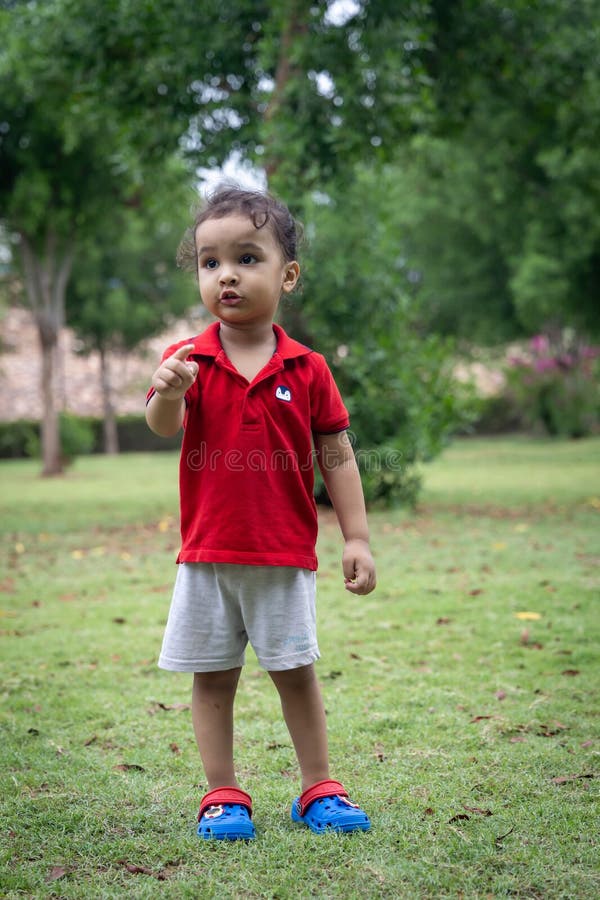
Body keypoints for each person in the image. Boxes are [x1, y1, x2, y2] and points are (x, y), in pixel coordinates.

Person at [146, 186, 376, 840]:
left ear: (287, 275)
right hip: (208, 556)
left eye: (247, 258)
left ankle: (318, 788)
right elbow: (163, 427)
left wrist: (356, 536)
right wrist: (167, 393)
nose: (226, 275)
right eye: (210, 262)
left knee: (295, 675)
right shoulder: (187, 362)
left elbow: (336, 453)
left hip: (283, 556)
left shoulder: (307, 368)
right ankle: (223, 795)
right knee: (213, 679)